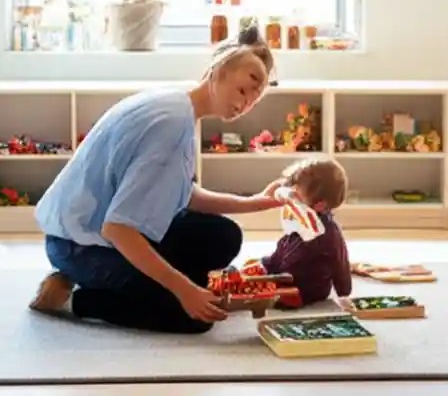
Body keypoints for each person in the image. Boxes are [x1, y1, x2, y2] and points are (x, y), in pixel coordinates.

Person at [29, 27, 285, 333]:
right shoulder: (173, 129)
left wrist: (253, 203)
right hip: (82, 244)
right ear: (217, 72)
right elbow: (119, 229)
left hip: (90, 230)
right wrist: (184, 290)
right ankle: (74, 298)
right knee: (191, 315)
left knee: (223, 235)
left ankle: (137, 282)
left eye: (253, 101)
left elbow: (183, 194)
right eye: (243, 90)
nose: (245, 104)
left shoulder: (178, 103)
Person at [258, 157, 352, 308]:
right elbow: (285, 246)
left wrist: (344, 291)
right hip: (286, 270)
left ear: (319, 205)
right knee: (263, 264)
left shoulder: (328, 232)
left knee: (282, 295)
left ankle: (279, 291)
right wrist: (269, 264)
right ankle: (269, 275)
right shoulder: (299, 218)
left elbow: (340, 262)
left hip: (307, 286)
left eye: (297, 190)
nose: (292, 192)